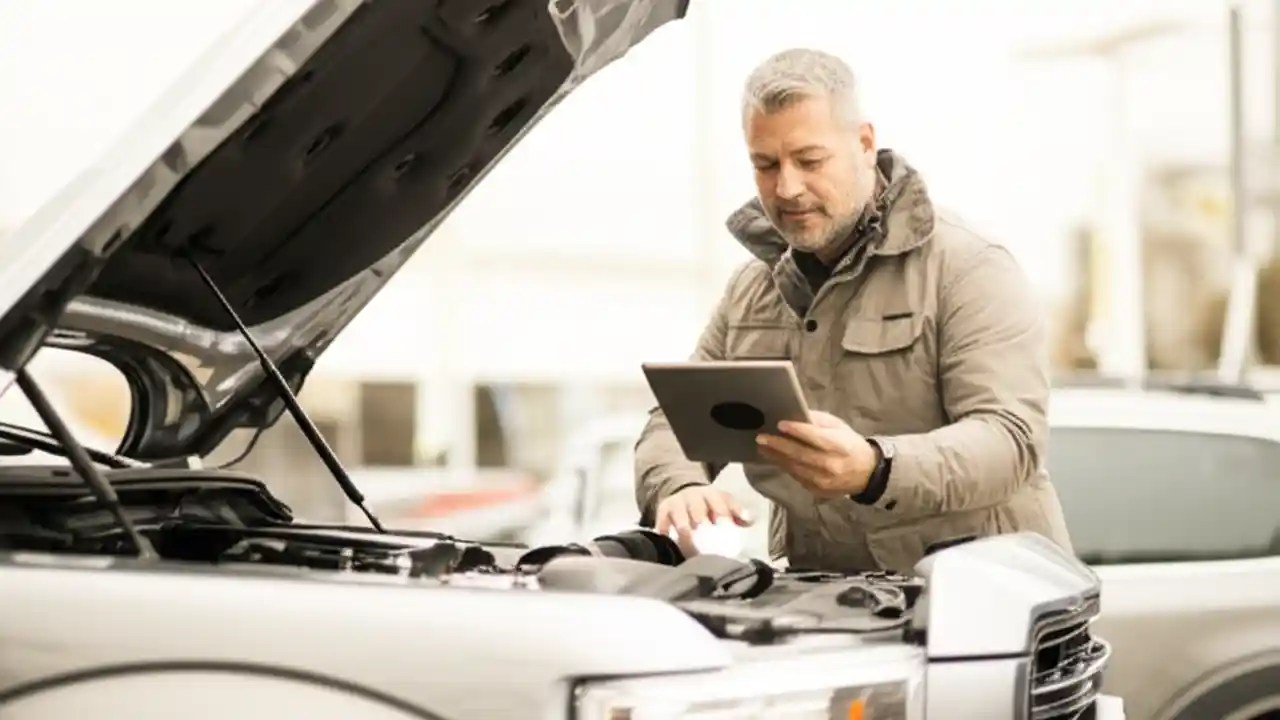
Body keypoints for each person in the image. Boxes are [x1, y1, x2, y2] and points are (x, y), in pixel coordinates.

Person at [633, 48, 1072, 573]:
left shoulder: (968, 267)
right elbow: (675, 420)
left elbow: (1010, 439)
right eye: (765, 164)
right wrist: (678, 485)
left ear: (864, 144)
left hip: (985, 603)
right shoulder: (751, 289)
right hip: (831, 610)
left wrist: (875, 468)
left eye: (809, 161)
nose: (787, 187)